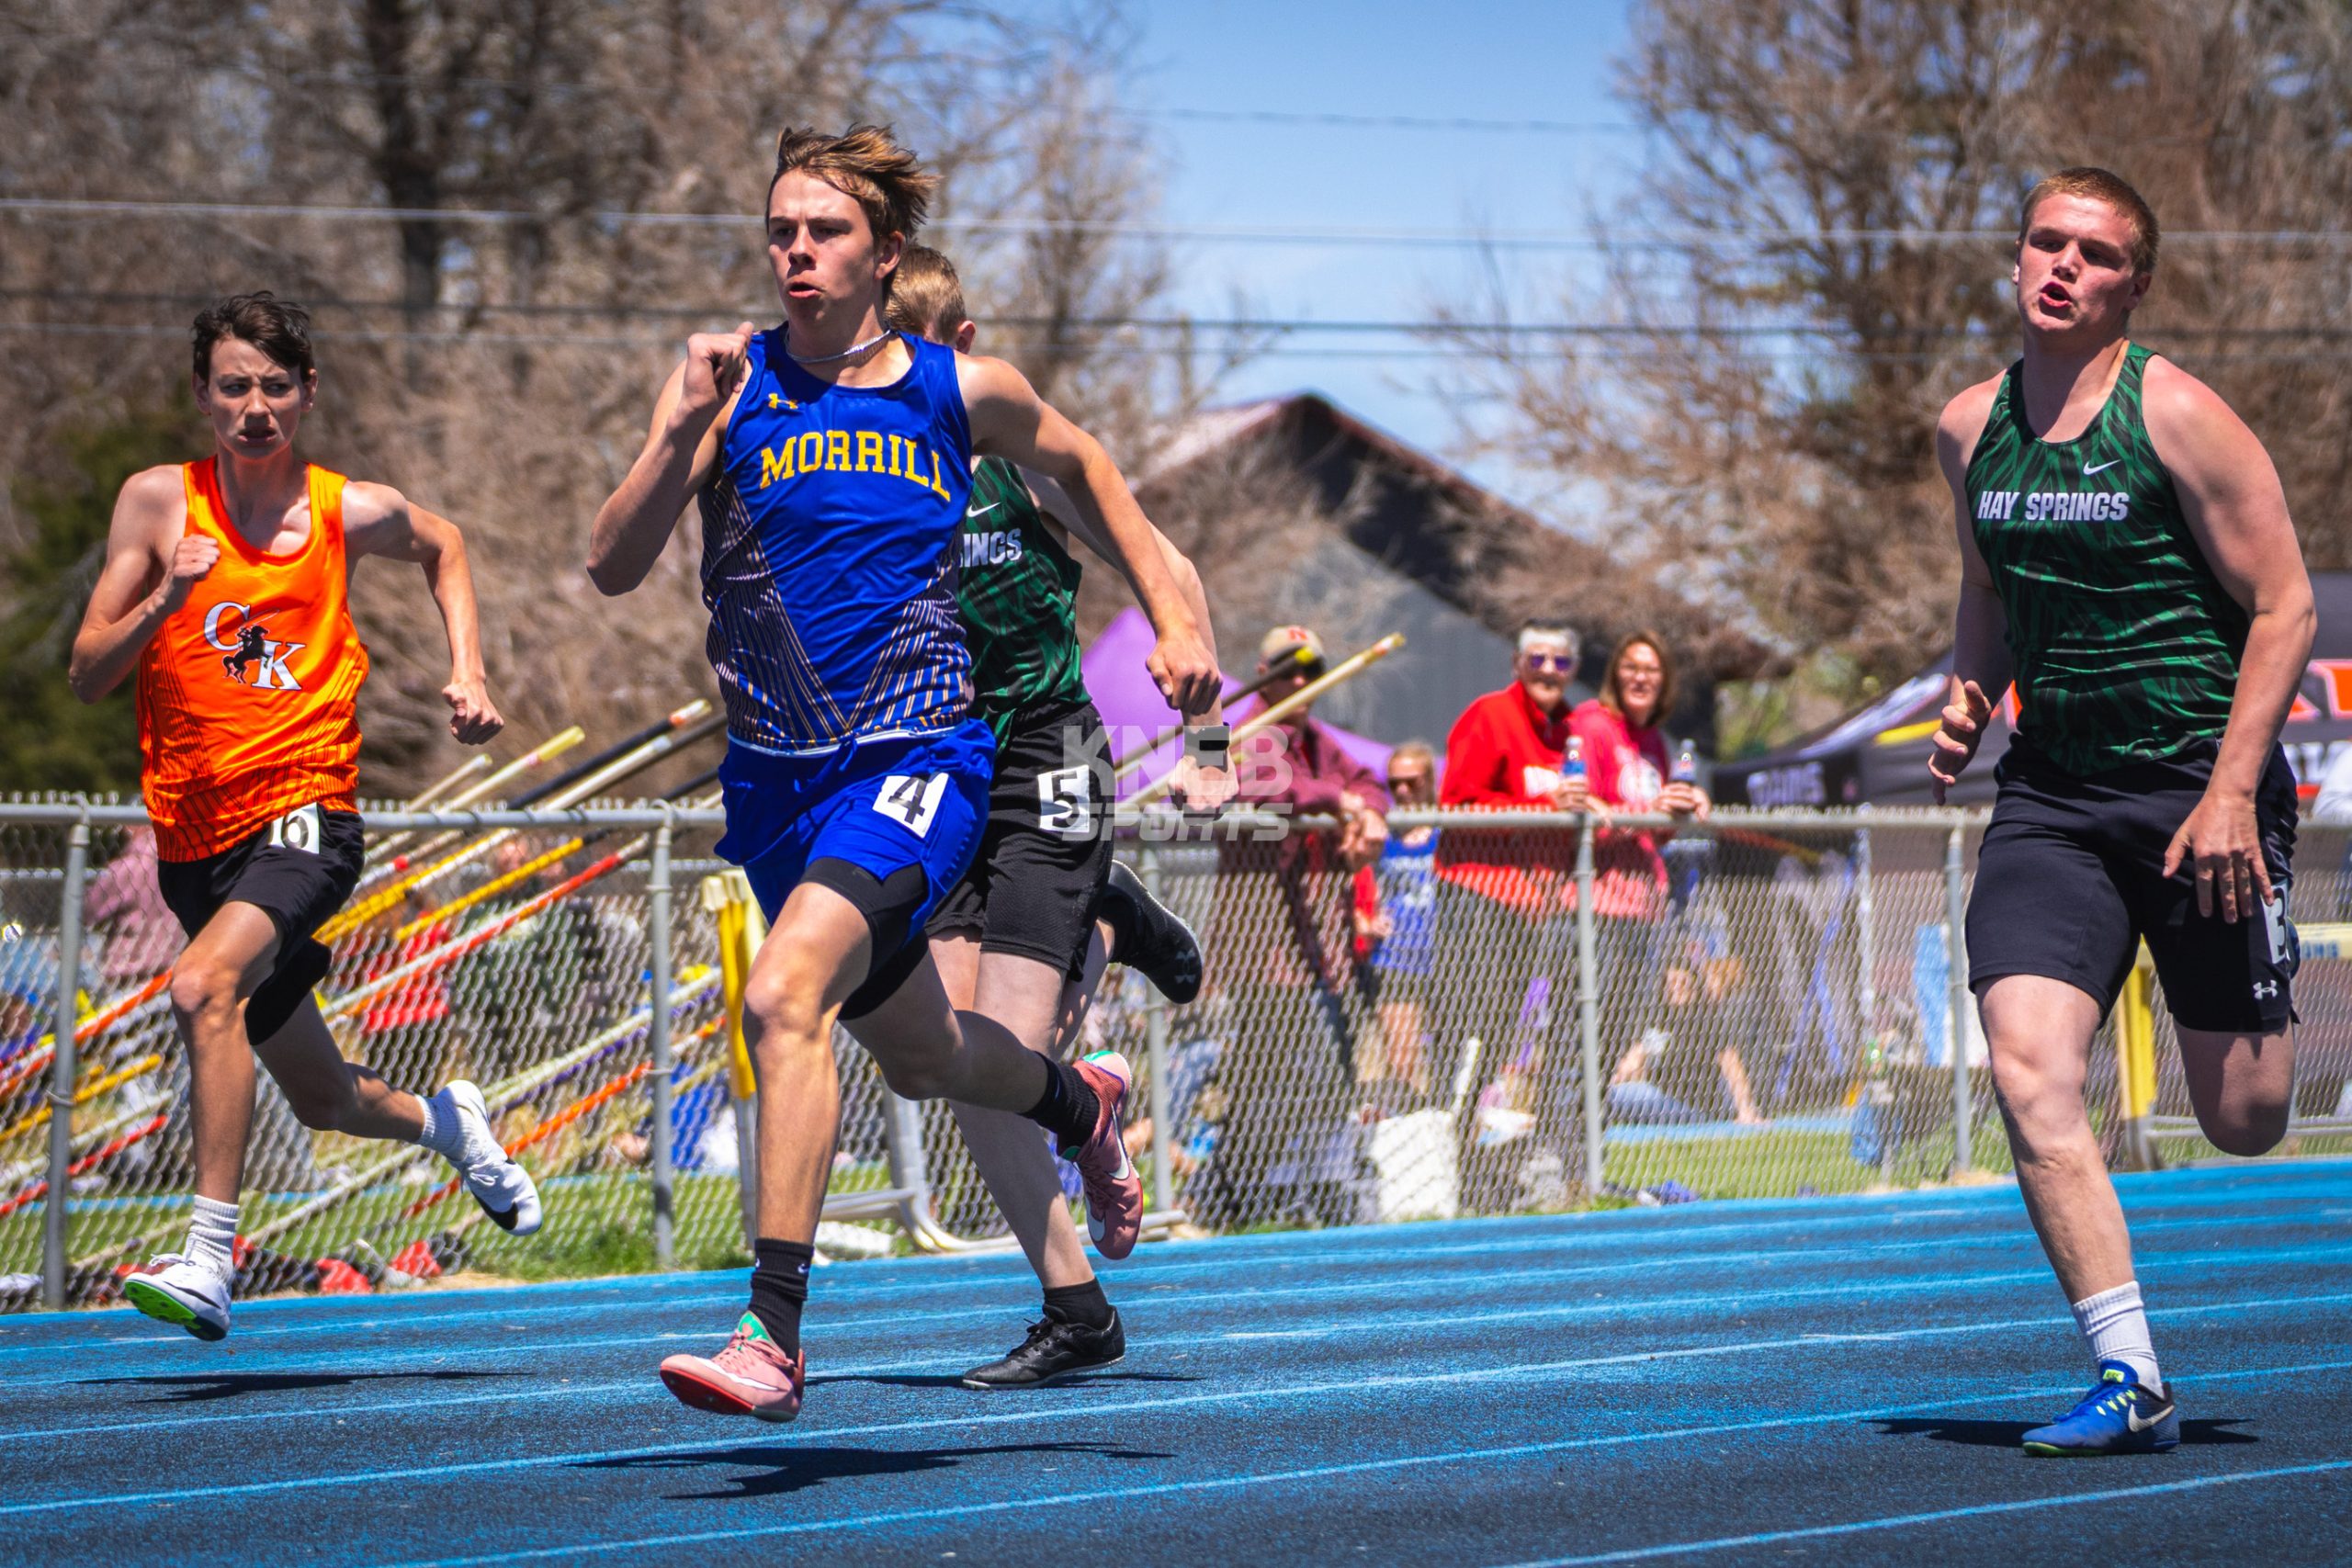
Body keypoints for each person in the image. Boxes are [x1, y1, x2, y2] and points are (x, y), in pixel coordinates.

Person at [587, 126, 1218, 1422]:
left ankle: (772, 1327)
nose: (796, 254)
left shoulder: (953, 388)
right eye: (779, 232)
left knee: (784, 994)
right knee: (927, 1056)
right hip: (776, 784)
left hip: (919, 758)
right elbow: (610, 560)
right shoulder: (730, 386)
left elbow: (1087, 463)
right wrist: (675, 434)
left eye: (822, 233)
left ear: (883, 254)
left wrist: (1176, 611)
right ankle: (1081, 1099)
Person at [1928, 168, 2313, 1454]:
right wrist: (1967, 691)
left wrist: (2223, 795)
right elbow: (1987, 586)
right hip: (2052, 795)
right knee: (2029, 1069)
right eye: (2046, 241)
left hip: (2196, 786)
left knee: (2245, 1120)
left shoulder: (2182, 415)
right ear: (2018, 252)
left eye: (2095, 255)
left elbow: (2287, 608)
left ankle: (2258, 948)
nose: (2064, 267)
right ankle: (2129, 1370)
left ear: (2133, 285)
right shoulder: (1969, 425)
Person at [67, 292, 539, 1342]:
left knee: (201, 986)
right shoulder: (157, 505)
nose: (254, 408)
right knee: (326, 1099)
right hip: (194, 841)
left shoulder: (341, 511)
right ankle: (447, 1123)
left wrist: (468, 670)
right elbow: (88, 673)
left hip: (305, 810)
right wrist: (164, 604)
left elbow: (445, 544)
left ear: (307, 395)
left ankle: (206, 1258)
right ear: (202, 395)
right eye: (233, 387)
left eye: (275, 387)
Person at [883, 243, 1230, 1388]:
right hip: (938, 772)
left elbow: (1168, 565)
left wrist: (1212, 741)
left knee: (1007, 1053)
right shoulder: (865, 468)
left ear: (969, 357)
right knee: (942, 1062)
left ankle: (1107, 921)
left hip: (1046, 758)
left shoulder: (1015, 459)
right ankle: (1079, 1295)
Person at [1202, 626, 1389, 1227]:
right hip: (1264, 944)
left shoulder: (1317, 738)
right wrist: (1338, 800)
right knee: (1265, 1075)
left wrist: (1368, 813)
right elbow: (1262, 785)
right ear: (1262, 670)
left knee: (1325, 1076)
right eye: (1289, 669)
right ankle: (1235, 1195)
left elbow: (1370, 782)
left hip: (1319, 946)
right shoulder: (1236, 724)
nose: (1302, 682)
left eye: (1314, 670)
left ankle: (1297, 1194)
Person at [1435, 622, 1587, 1191]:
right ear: (1518, 662)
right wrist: (1542, 801)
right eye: (1539, 658)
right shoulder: (1490, 714)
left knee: (1503, 1035)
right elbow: (1458, 801)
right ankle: (1444, 1152)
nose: (1550, 671)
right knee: (1468, 1030)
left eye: (1563, 662)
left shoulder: (1568, 731)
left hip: (1534, 906)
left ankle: (1473, 1156)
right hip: (1478, 896)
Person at [1571, 631, 1710, 1093]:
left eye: (1651, 670)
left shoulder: (1652, 741)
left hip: (1642, 905)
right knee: (1580, 1031)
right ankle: (1559, 1142)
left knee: (1616, 1033)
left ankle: (1588, 1149)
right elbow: (1583, 815)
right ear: (1615, 673)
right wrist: (1645, 814)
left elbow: (1657, 828)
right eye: (1631, 666)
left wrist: (1682, 805)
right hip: (1595, 902)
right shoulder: (1591, 725)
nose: (1640, 677)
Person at [1361, 740, 1440, 1102]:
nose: (1404, 792)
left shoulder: (1447, 830)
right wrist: (1364, 917)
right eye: (1394, 785)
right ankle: (1405, 1129)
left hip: (1444, 958)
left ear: (1430, 781)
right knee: (1404, 1059)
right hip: (1395, 959)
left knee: (1449, 1059)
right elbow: (1355, 882)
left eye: (1413, 782)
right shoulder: (1383, 835)